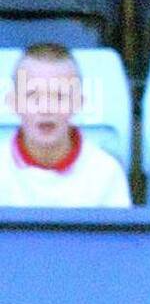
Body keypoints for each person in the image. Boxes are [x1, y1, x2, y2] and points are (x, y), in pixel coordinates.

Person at [0, 43, 130, 208]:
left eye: (59, 97)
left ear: (79, 103)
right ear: (13, 103)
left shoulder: (106, 173)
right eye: (33, 96)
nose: (46, 109)